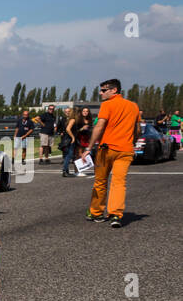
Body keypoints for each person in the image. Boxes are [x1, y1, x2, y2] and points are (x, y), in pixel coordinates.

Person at [85, 78, 139, 228]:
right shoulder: (133, 106)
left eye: (103, 90)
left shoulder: (107, 105)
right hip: (125, 150)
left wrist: (89, 147)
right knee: (119, 183)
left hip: (106, 149)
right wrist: (132, 142)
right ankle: (115, 214)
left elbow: (100, 126)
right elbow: (137, 130)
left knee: (100, 182)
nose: (100, 93)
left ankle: (96, 212)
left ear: (114, 90)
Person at [59, 107, 78, 177]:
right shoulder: (72, 119)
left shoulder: (69, 119)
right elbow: (68, 129)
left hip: (66, 138)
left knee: (67, 154)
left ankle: (66, 170)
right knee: (69, 155)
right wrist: (73, 137)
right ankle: (65, 170)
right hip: (69, 139)